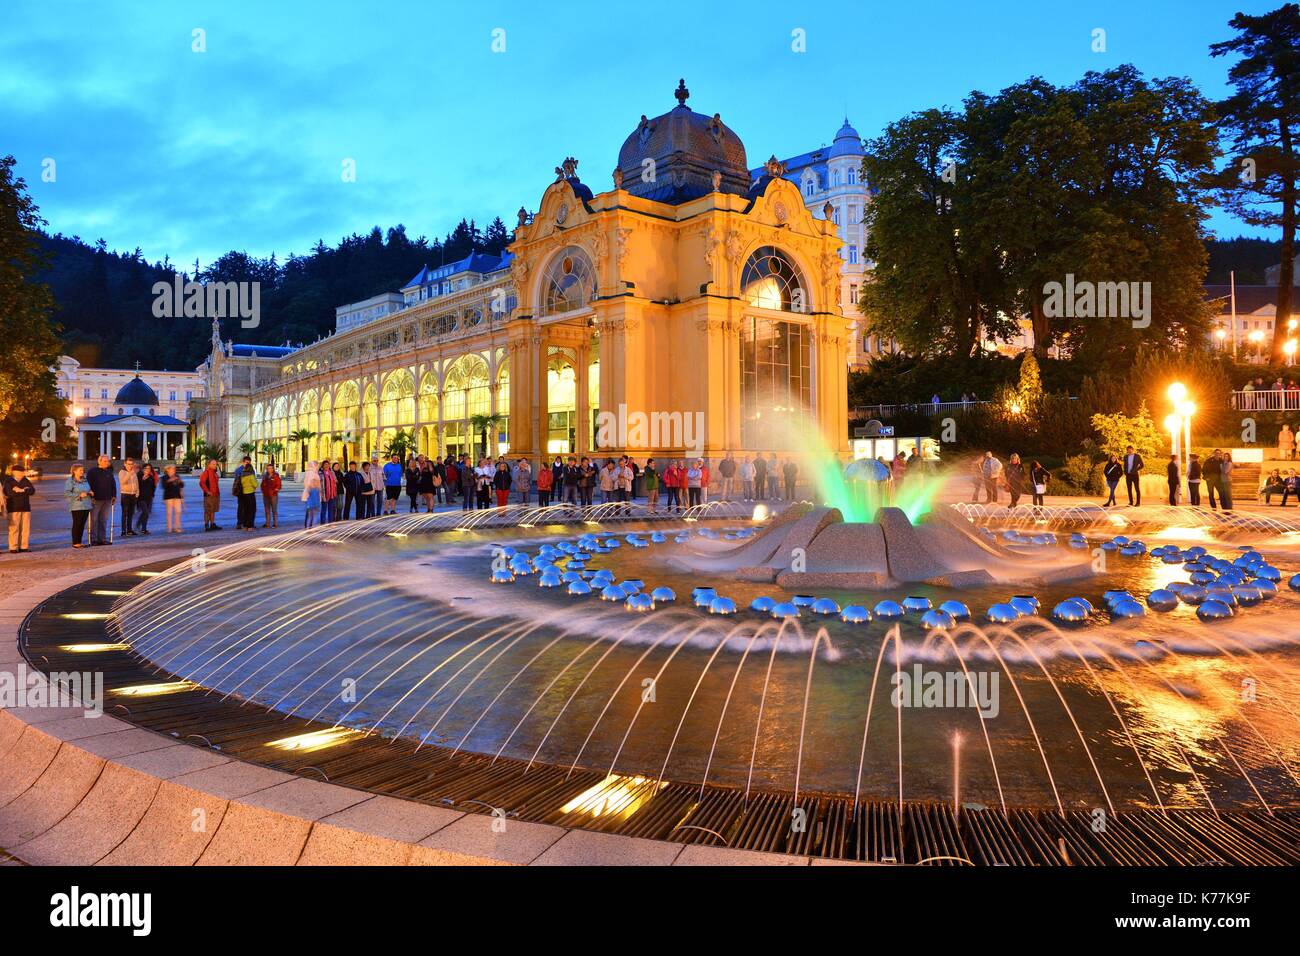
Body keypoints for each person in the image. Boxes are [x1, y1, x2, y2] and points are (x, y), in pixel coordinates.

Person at [2, 464, 36, 553]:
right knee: (14, 528)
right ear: (15, 472)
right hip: (13, 507)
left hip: (25, 507)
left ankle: (24, 546)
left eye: (23, 472)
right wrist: (24, 491)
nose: (23, 473)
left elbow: (32, 491)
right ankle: (13, 547)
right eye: (21, 472)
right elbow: (10, 493)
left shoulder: (25, 480)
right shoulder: (8, 481)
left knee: (25, 528)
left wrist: (21, 490)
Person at [87, 454, 118, 544]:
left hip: (107, 499)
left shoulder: (109, 472)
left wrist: (114, 495)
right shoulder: (92, 471)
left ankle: (102, 539)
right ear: (99, 461)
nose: (107, 463)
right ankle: (94, 539)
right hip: (96, 499)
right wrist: (91, 496)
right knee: (94, 520)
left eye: (108, 461)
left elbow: (113, 485)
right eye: (105, 461)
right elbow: (88, 484)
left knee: (104, 520)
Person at [66, 464, 92, 547]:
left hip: (86, 505)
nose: (82, 472)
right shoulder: (70, 481)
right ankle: (75, 542)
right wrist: (79, 495)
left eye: (82, 470)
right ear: (74, 471)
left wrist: (90, 492)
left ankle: (79, 542)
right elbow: (67, 493)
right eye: (80, 470)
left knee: (82, 524)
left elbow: (87, 489)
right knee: (77, 524)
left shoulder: (85, 480)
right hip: (76, 506)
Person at [233, 461, 258, 530]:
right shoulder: (251, 476)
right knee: (251, 510)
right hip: (250, 494)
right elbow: (256, 485)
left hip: (243, 495)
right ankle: (250, 526)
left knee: (245, 510)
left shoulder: (242, 476)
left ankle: (245, 525)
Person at [199, 458, 222, 531]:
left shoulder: (215, 472)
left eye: (216, 464)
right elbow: (201, 483)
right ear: (209, 464)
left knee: (213, 510)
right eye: (213, 464)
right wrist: (207, 491)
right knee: (208, 510)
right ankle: (206, 525)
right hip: (209, 495)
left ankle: (212, 524)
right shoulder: (206, 472)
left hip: (215, 494)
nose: (215, 465)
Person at [118, 458, 139, 536]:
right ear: (125, 464)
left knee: (131, 513)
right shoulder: (122, 472)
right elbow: (122, 482)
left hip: (133, 495)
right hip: (125, 495)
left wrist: (137, 493)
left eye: (132, 464)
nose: (130, 466)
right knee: (124, 513)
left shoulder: (134, 473)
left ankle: (129, 530)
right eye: (129, 464)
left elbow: (136, 483)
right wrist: (129, 474)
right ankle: (123, 531)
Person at [162, 464, 184, 533]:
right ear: (167, 469)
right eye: (172, 469)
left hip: (177, 496)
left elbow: (182, 486)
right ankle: (169, 528)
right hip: (168, 497)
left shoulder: (177, 476)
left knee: (178, 511)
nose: (174, 470)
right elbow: (163, 486)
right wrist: (171, 480)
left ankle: (177, 527)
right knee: (169, 513)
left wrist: (181, 482)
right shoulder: (164, 477)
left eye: (174, 469)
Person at [136, 463, 157, 534]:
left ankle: (142, 528)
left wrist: (152, 494)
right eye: (146, 468)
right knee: (145, 512)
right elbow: (136, 486)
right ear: (143, 469)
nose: (148, 470)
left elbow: (153, 487)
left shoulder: (151, 477)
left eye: (149, 469)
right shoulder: (139, 475)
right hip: (141, 498)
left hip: (149, 498)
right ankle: (141, 527)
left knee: (145, 513)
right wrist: (142, 480)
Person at [301, 459, 321, 527]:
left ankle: (310, 525)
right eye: (316, 464)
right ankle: (308, 525)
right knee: (310, 510)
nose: (317, 466)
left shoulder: (314, 472)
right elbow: (308, 483)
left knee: (312, 510)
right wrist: (312, 487)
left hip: (315, 492)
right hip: (311, 492)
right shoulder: (311, 472)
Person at [261, 463, 282, 527]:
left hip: (273, 496)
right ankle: (267, 523)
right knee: (267, 510)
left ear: (273, 469)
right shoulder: (265, 476)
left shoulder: (276, 476)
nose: (269, 470)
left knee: (274, 510)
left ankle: (275, 523)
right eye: (268, 468)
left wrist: (274, 491)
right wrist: (263, 492)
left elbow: (279, 485)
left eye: (270, 468)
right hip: (266, 495)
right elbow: (262, 485)